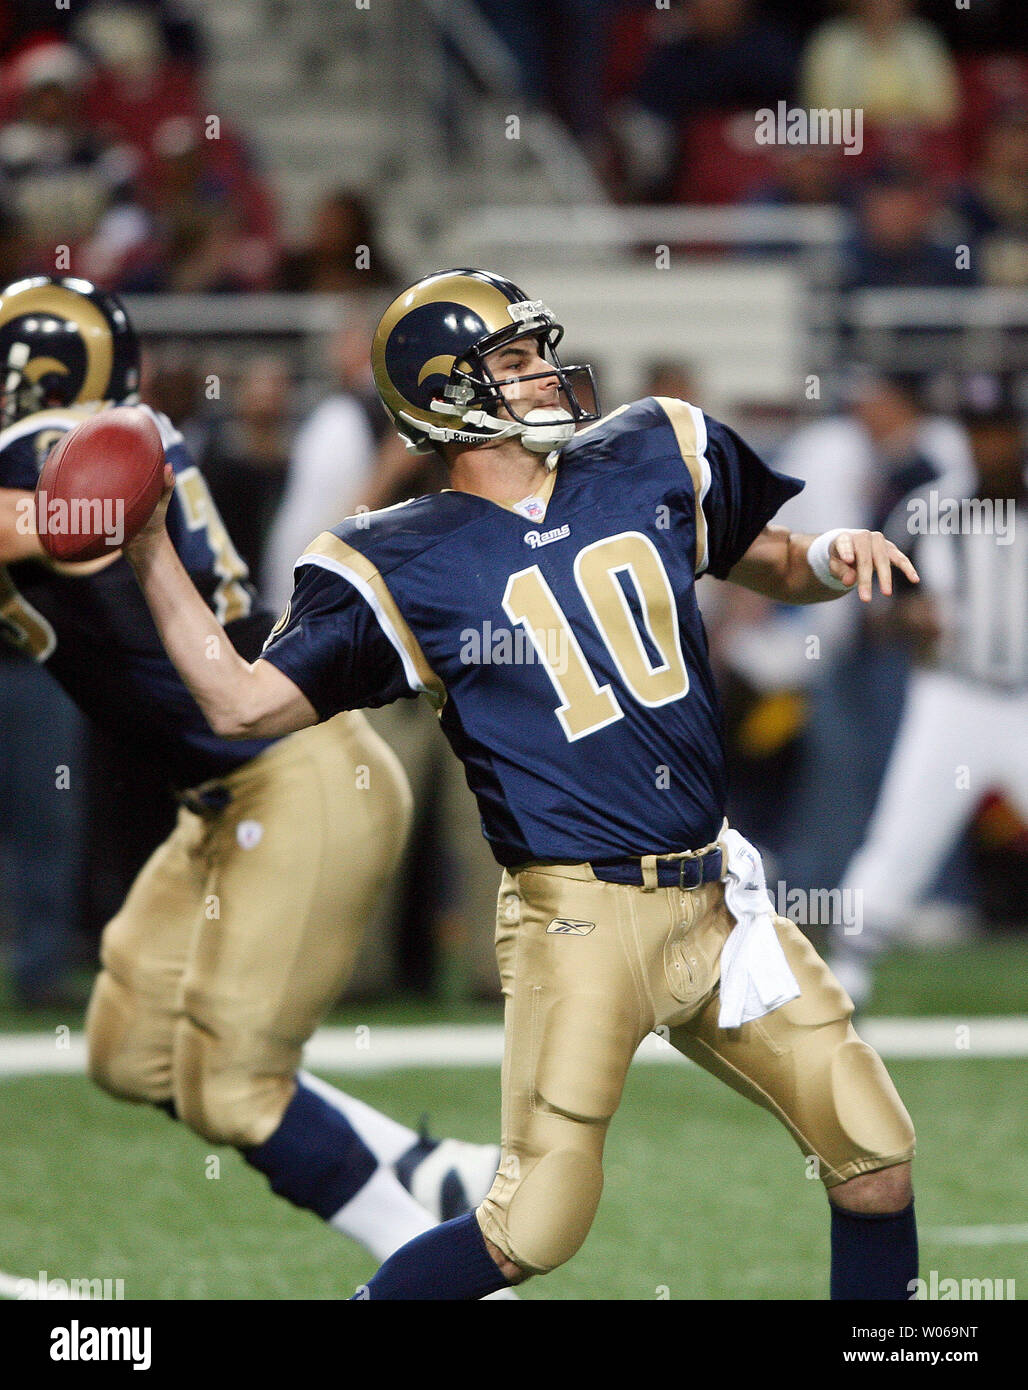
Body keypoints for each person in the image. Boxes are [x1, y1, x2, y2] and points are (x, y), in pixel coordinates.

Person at [123, 267, 921, 1300]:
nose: (543, 373)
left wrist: (825, 554)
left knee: (872, 1152)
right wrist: (149, 554)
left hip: (717, 897)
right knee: (529, 1226)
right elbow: (239, 703)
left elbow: (763, 557)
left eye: (538, 351)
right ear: (441, 398)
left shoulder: (649, 448)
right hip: (579, 915)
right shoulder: (394, 558)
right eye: (510, 361)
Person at [0, 275, 503, 1270]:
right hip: (228, 793)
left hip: (296, 774)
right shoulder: (89, 435)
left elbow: (56, 515)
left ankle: (452, 1275)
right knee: (129, 1048)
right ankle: (422, 1163)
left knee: (233, 1088)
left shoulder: (56, 445)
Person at [830, 375, 1028, 1010]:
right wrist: (906, 620)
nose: (988, 447)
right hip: (955, 697)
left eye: (998, 433)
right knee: (905, 829)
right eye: (977, 434)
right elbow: (872, 603)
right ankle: (852, 962)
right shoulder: (928, 508)